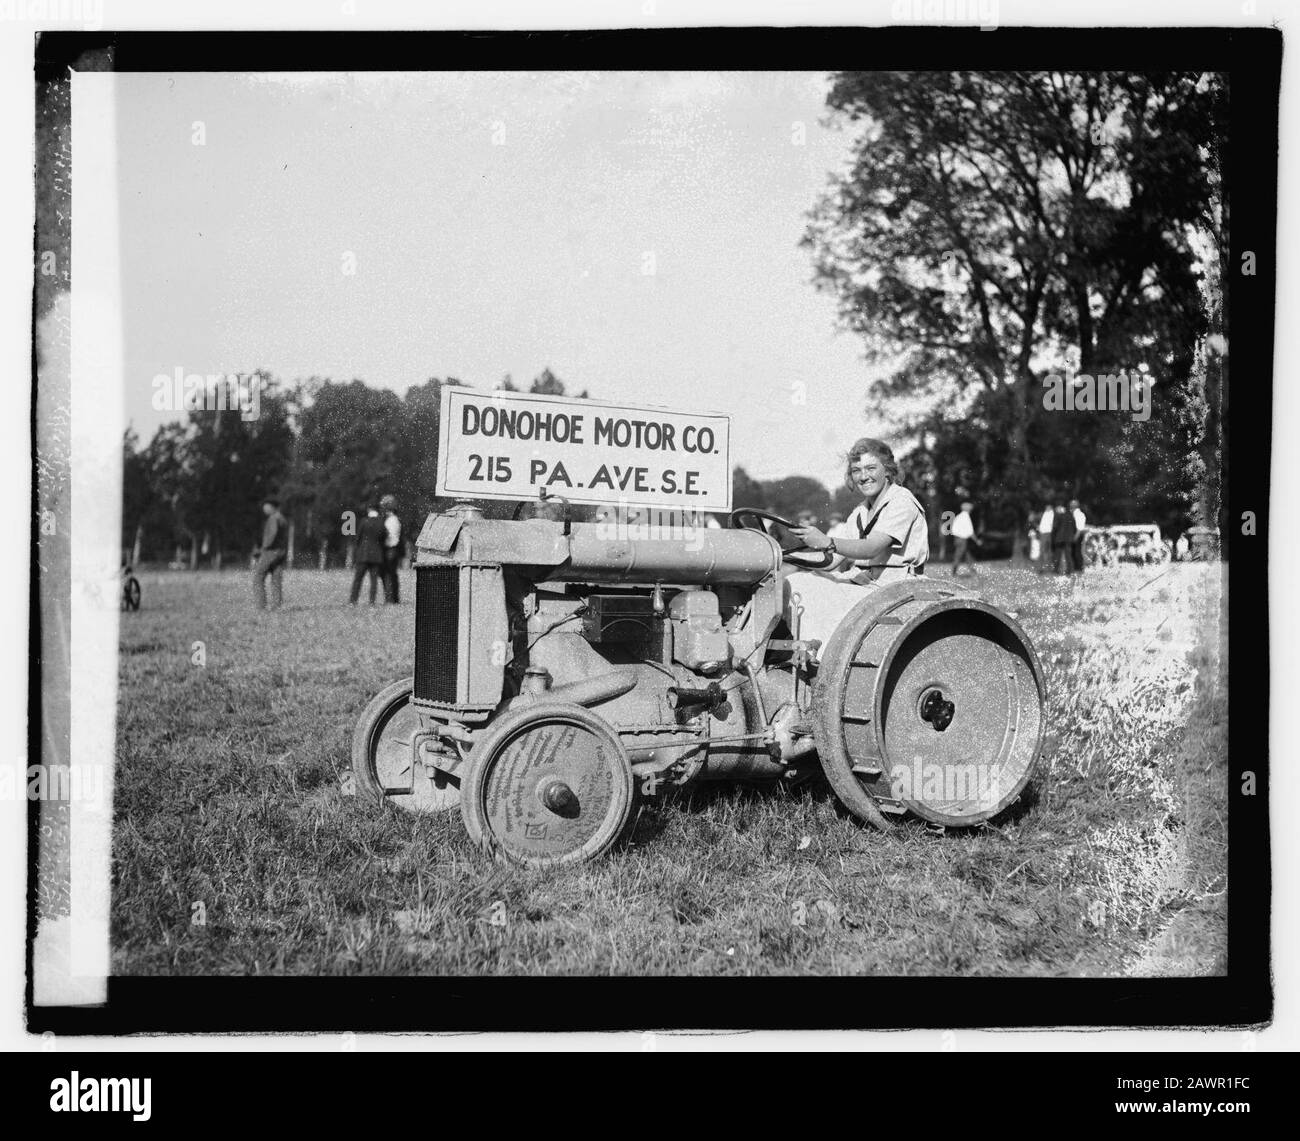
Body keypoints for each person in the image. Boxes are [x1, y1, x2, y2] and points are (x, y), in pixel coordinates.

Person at [785, 438, 929, 653]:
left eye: (871, 468)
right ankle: (798, 651)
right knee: (796, 581)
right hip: (866, 582)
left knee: (822, 595)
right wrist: (783, 557)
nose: (864, 476)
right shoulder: (861, 512)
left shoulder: (901, 501)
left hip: (895, 586)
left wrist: (827, 542)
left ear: (888, 470)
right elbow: (832, 561)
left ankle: (822, 658)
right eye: (856, 470)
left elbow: (872, 548)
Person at [252, 497, 288, 610]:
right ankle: (277, 606)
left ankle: (261, 606)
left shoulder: (273, 518)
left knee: (258, 577)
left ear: (272, 507)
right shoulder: (282, 518)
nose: (264, 509)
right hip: (281, 552)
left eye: (266, 506)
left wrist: (262, 548)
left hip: (270, 552)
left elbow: (272, 535)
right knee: (276, 579)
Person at [350, 503, 387, 606]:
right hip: (376, 555)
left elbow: (358, 538)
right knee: (374, 580)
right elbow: (383, 538)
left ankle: (353, 600)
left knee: (358, 579)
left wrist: (357, 551)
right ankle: (372, 601)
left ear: (369, 509)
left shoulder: (364, 521)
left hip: (363, 554)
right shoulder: (381, 522)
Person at [380, 495, 403, 604]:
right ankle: (394, 598)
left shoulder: (391, 521)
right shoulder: (395, 519)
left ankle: (390, 599)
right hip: (393, 549)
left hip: (390, 549)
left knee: (388, 574)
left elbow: (387, 536)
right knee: (392, 574)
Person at [950, 500, 980, 577]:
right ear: (969, 509)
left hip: (957, 538)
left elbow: (953, 529)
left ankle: (973, 571)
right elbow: (970, 531)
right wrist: (977, 541)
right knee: (959, 555)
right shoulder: (966, 517)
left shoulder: (959, 516)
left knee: (967, 555)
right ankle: (953, 573)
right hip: (962, 539)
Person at [1050, 498, 1077, 575]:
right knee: (1068, 555)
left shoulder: (1058, 515)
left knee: (1057, 554)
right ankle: (1070, 570)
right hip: (1069, 538)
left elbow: (1055, 527)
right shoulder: (1070, 515)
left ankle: (1055, 570)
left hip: (1060, 537)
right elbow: (1074, 527)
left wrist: (1053, 535)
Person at [1036, 502, 1055, 574]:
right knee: (1046, 551)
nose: (1046, 507)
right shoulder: (1046, 513)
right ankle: (1045, 568)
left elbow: (1050, 525)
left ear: (1050, 507)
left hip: (1046, 533)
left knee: (1044, 551)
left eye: (1048, 506)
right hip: (1044, 533)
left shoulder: (1050, 514)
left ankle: (1043, 568)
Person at [1069, 499, 1087, 574]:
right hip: (1074, 534)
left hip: (1078, 534)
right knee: (1073, 552)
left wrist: (1076, 536)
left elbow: (1080, 527)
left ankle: (1079, 568)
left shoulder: (1080, 514)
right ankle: (1075, 567)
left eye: (1072, 504)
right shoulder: (1072, 513)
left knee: (1077, 552)